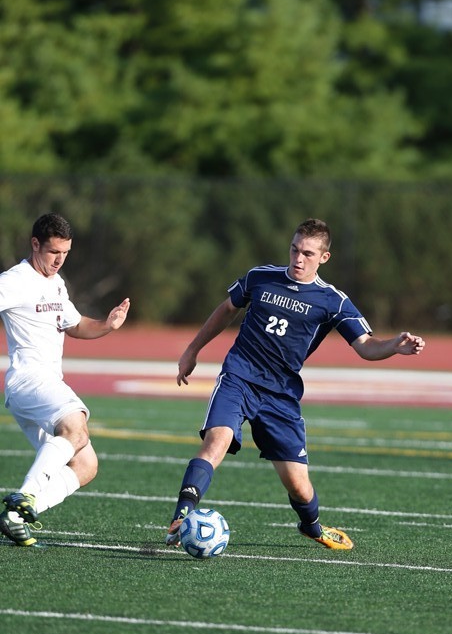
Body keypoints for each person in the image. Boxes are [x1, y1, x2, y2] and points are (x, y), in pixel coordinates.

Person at [165, 218, 425, 551]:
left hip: (281, 396)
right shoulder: (261, 277)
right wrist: (192, 349)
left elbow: (365, 344)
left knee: (300, 488)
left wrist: (394, 346)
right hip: (239, 378)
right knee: (216, 443)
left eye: (307, 253)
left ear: (324, 258)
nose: (298, 259)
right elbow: (227, 309)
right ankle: (180, 518)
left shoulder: (333, 301)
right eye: (294, 249)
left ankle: (313, 527)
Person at [0, 212, 130, 547]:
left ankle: (15, 518)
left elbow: (73, 324)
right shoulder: (16, 280)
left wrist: (106, 324)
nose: (59, 259)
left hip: (42, 387)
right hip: (29, 380)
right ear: (35, 244)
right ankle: (24, 496)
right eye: (53, 251)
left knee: (85, 464)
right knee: (76, 423)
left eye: (66, 253)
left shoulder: (56, 283)